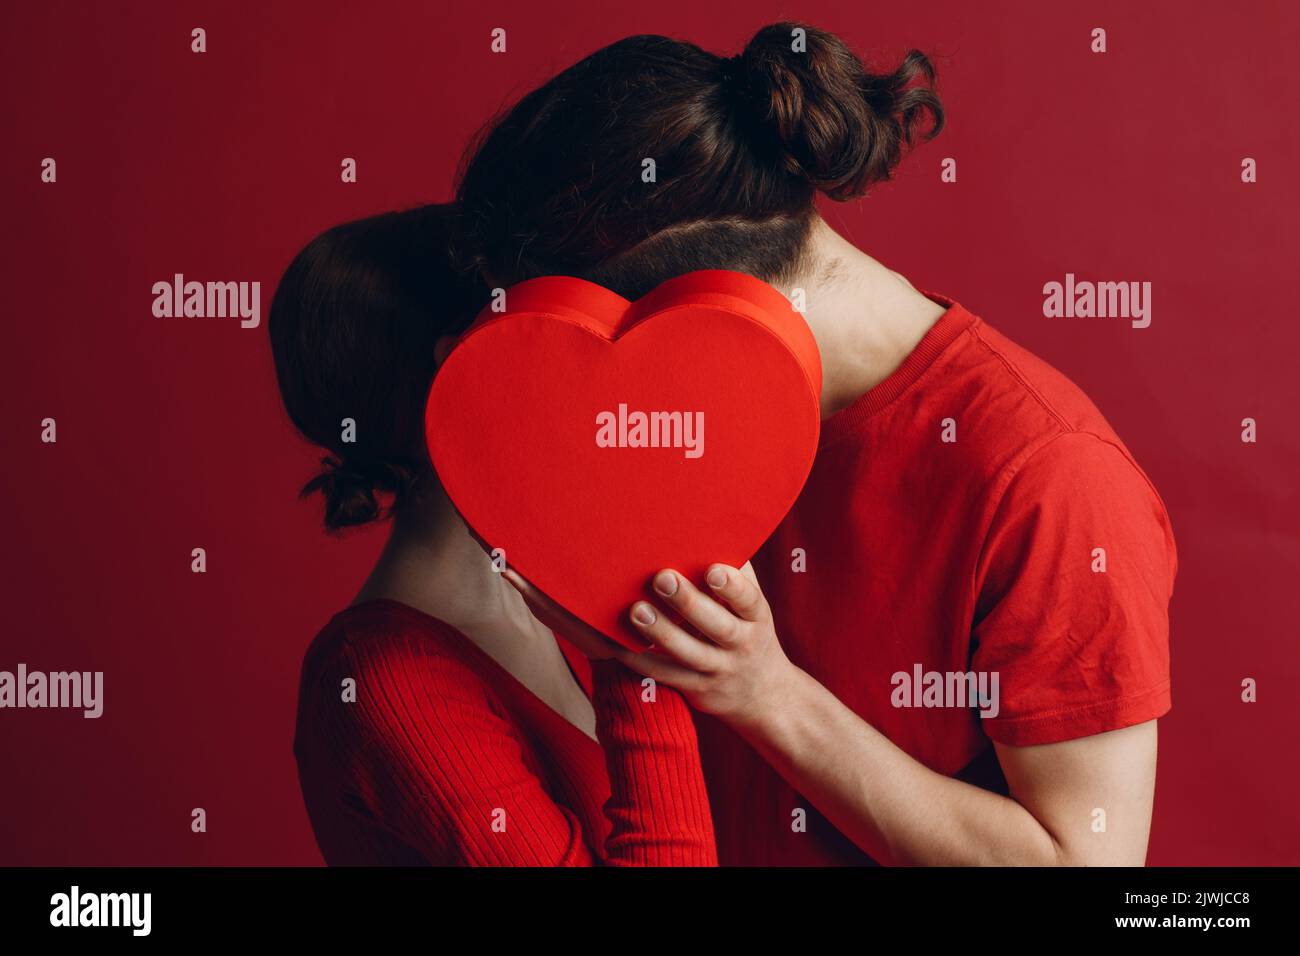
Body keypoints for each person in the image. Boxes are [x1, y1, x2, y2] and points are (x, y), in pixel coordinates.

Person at [453, 23, 1177, 866]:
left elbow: (1086, 865)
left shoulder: (1051, 476)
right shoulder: (676, 424)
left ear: (682, 314)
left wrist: (767, 695)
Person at [269, 204, 716, 866]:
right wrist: (632, 665)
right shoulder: (389, 688)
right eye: (551, 329)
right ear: (471, 370)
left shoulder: (569, 603)